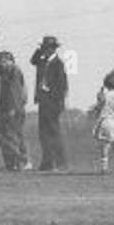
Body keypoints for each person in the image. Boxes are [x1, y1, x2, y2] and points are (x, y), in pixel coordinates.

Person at [0, 27, 30, 172]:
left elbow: (15, 93)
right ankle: (14, 163)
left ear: (9, 61)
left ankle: (20, 162)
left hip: (12, 109)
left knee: (7, 135)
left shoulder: (13, 71)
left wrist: (12, 109)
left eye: (2, 61)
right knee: (11, 135)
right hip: (12, 109)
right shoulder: (6, 70)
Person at [30, 34, 69, 172]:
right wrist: (39, 48)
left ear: (53, 49)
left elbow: (63, 86)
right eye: (44, 48)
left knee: (53, 132)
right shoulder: (42, 60)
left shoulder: (59, 64)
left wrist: (57, 103)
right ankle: (47, 162)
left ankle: (59, 162)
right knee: (43, 133)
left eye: (47, 48)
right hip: (43, 101)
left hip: (53, 103)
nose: (45, 50)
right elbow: (32, 60)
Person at [93, 73, 114, 174]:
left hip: (106, 121)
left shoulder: (104, 95)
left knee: (105, 146)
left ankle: (104, 167)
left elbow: (98, 108)